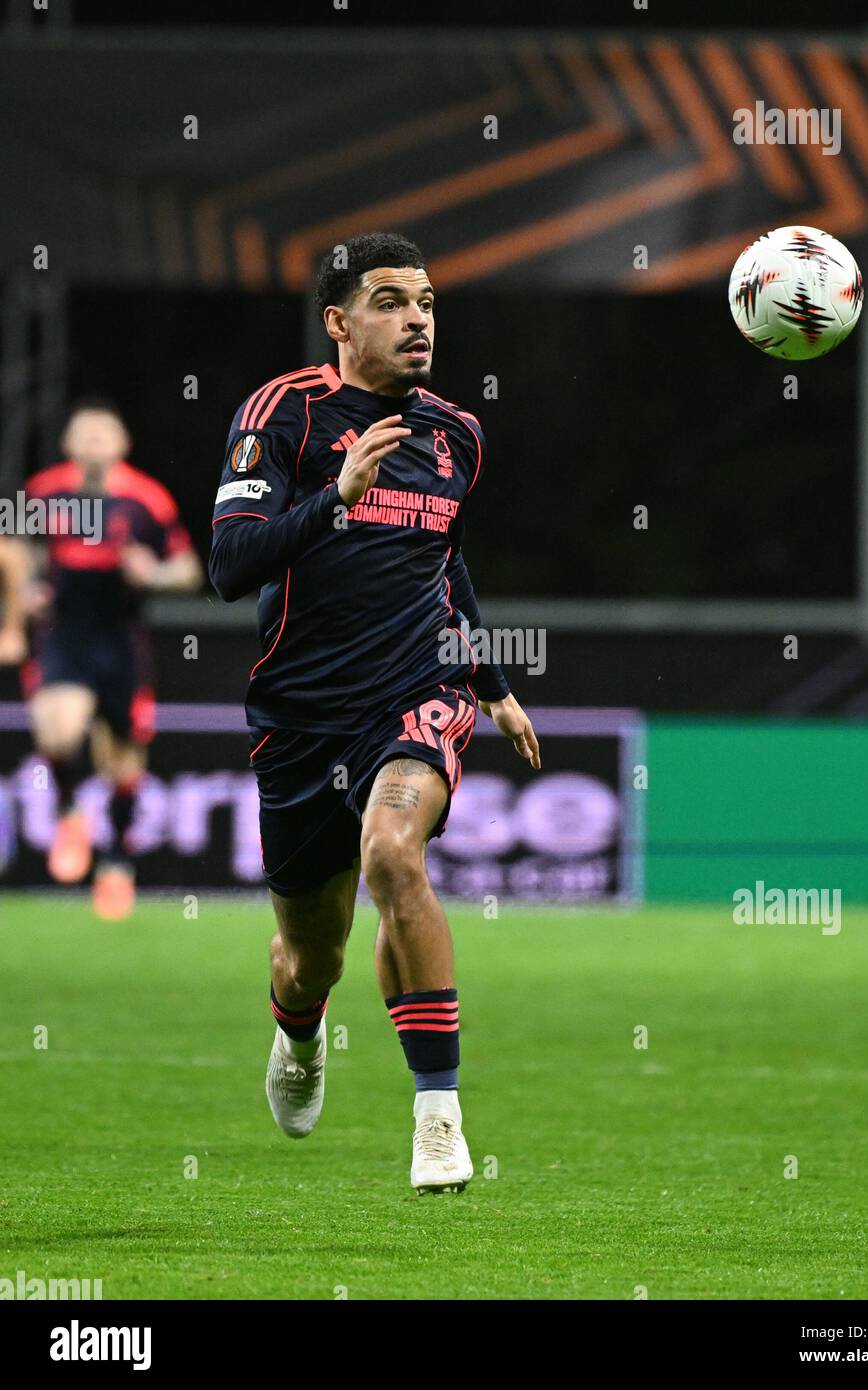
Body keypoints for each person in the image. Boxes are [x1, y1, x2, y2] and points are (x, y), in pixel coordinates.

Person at [209, 231, 540, 1193]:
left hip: (413, 696)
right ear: (340, 321)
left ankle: (437, 1118)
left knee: (396, 853)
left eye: (428, 302)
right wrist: (337, 497)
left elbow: (449, 564)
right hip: (300, 713)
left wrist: (489, 685)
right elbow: (231, 567)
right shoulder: (285, 415)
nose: (418, 319)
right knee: (312, 957)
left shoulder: (456, 435)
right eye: (392, 301)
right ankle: (300, 1033)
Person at [0, 399, 201, 918]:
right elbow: (12, 550)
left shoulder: (145, 499)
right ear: (68, 442)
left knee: (123, 759)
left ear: (122, 443)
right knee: (59, 733)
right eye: (83, 433)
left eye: (102, 434)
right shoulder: (45, 491)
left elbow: (186, 570)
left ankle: (116, 863)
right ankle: (69, 811)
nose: (92, 442)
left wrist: (151, 574)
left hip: (120, 638)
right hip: (64, 634)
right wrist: (22, 599)